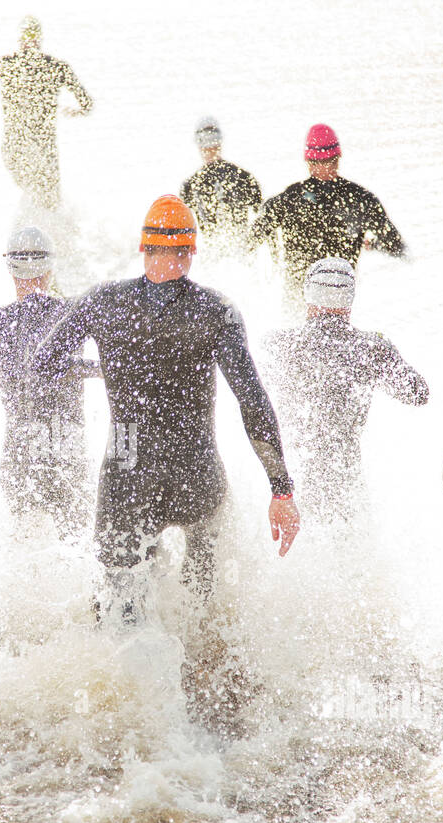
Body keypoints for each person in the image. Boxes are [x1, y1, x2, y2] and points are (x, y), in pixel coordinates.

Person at [35, 195, 300, 614]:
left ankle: (130, 673)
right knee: (204, 603)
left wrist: (99, 369)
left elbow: (42, 366)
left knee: (118, 603)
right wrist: (281, 490)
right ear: (191, 251)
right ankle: (199, 661)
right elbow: (252, 401)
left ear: (143, 247)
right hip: (195, 470)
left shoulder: (101, 302)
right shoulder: (216, 312)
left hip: (126, 467)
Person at [0, 227, 97, 537]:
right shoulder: (74, 313)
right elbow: (114, 356)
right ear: (50, 268)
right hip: (67, 443)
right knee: (77, 545)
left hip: (20, 449)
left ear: (10, 268)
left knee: (23, 548)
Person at [262, 258, 428, 519]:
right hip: (345, 475)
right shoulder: (369, 348)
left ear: (307, 295)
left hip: (290, 479)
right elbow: (418, 393)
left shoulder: (278, 345)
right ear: (350, 299)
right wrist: (384, 355)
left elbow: (248, 400)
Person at [253, 124, 406, 305]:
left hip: (300, 300)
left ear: (308, 162)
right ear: (338, 158)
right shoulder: (360, 198)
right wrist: (372, 244)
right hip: (339, 300)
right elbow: (396, 246)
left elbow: (251, 238)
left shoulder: (289, 198)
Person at [0, 15, 93, 210]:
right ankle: (50, 227)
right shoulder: (55, 67)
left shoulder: (7, 64)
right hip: (41, 145)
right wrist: (75, 112)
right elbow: (86, 104)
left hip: (17, 144)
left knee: (35, 194)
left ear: (21, 39)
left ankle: (37, 221)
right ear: (38, 40)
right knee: (47, 199)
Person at [179, 116, 263, 253]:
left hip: (212, 255)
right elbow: (262, 220)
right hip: (241, 253)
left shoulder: (191, 185)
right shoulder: (243, 178)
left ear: (199, 145)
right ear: (220, 141)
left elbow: (182, 229)